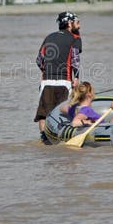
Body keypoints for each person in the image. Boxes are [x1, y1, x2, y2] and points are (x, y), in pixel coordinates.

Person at [34, 11, 82, 144]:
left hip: (46, 81)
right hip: (64, 81)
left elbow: (39, 60)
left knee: (44, 114)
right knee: (64, 112)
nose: (79, 26)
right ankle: (64, 139)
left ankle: (45, 140)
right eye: (77, 23)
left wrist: (46, 72)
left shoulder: (49, 37)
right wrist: (76, 78)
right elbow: (75, 60)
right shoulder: (75, 38)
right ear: (69, 23)